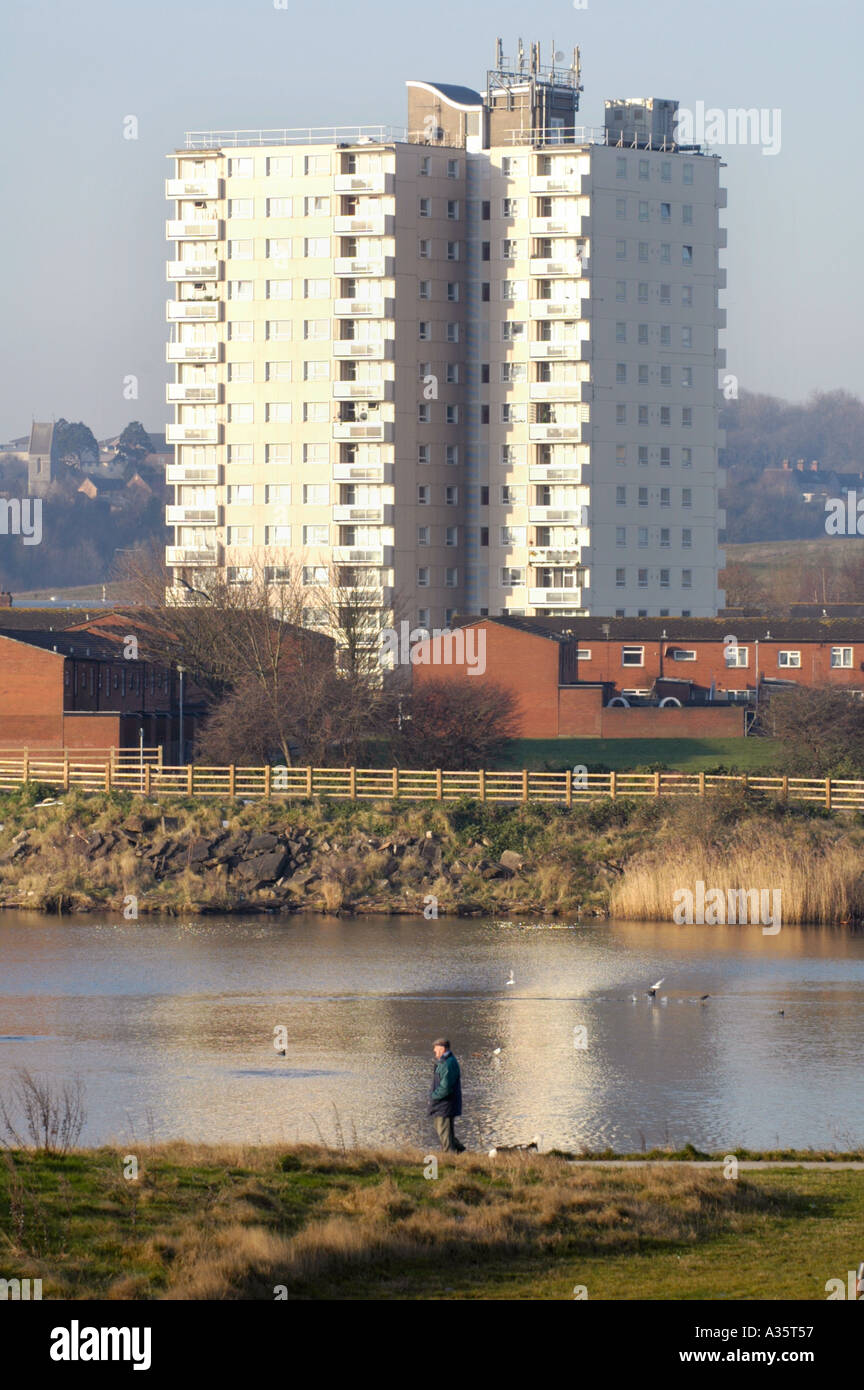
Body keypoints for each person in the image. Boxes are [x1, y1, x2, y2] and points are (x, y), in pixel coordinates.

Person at [428, 1037, 465, 1152]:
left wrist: (433, 1097)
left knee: (444, 1133)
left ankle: (450, 1157)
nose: (434, 1052)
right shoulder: (446, 1062)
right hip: (443, 1104)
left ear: (442, 1049)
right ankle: (458, 1150)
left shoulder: (448, 1063)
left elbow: (446, 1087)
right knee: (445, 1132)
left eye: (436, 1049)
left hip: (445, 1104)